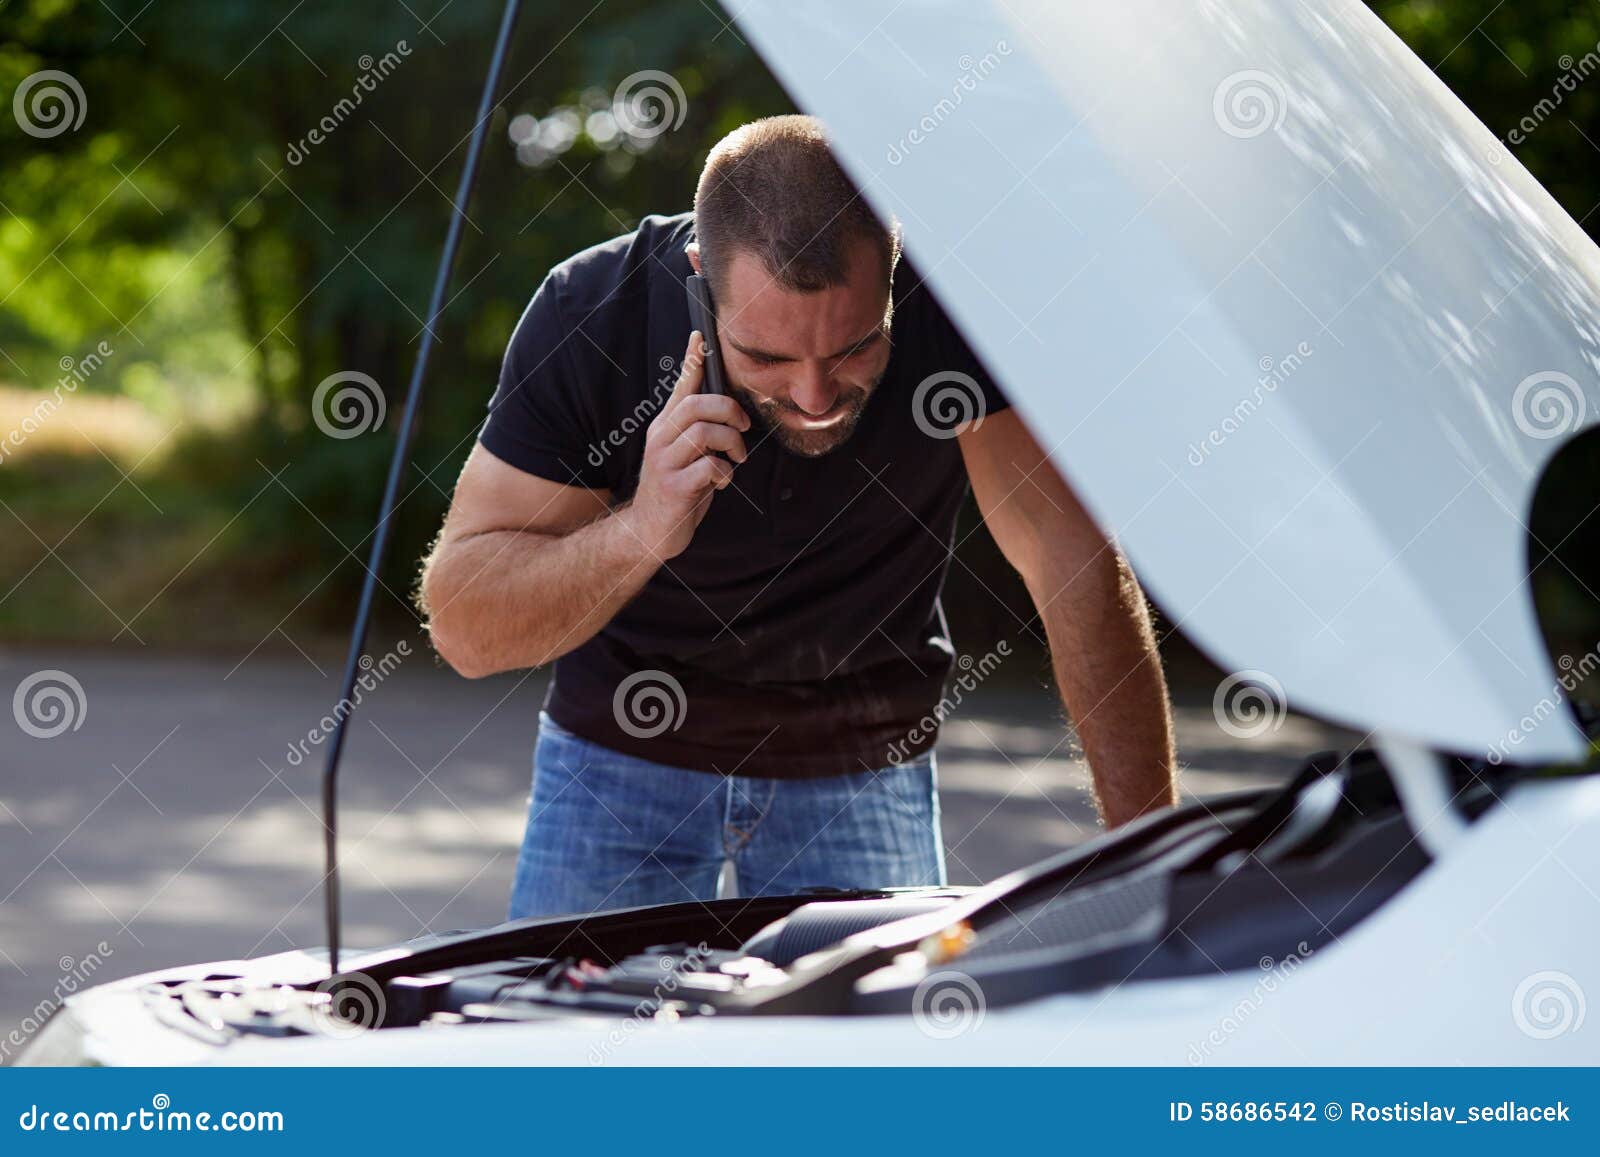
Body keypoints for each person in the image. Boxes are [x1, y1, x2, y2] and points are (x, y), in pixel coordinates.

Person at [419, 115, 1176, 918]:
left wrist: (1159, 868)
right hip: (618, 760)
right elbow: (465, 625)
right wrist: (641, 527)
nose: (814, 400)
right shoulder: (593, 312)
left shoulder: (957, 305)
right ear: (699, 277)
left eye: (853, 348)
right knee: (580, 1044)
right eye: (768, 358)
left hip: (861, 765)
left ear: (894, 272)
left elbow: (1074, 563)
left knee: (869, 1047)